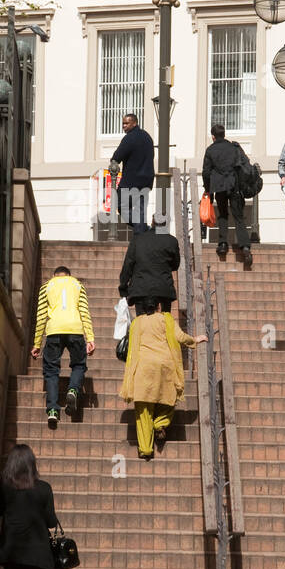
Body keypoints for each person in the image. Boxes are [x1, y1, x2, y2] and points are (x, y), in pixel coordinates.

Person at [119, 298, 207, 460]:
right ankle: (160, 424)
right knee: (169, 399)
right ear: (158, 307)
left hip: (143, 367)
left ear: (142, 309)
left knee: (143, 410)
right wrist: (194, 340)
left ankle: (145, 449)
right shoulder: (166, 319)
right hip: (164, 366)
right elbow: (180, 337)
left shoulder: (137, 323)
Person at [31, 264, 95, 425]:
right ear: (68, 275)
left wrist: (37, 343)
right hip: (76, 329)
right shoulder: (77, 285)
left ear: (55, 275)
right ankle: (73, 389)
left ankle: (53, 410)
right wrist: (90, 338)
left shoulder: (47, 286)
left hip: (53, 331)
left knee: (51, 371)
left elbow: (40, 317)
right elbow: (84, 312)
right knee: (79, 365)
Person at [202, 122, 253, 269]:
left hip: (219, 186)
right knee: (238, 216)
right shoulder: (234, 147)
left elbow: (206, 172)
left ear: (213, 136)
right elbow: (245, 164)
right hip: (235, 185)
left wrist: (208, 190)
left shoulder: (210, 150)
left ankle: (223, 244)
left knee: (223, 214)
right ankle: (245, 247)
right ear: (224, 135)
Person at [118, 211, 180, 314]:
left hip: (140, 288)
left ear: (152, 222)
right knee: (165, 322)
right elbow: (175, 265)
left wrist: (123, 287)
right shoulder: (172, 241)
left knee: (142, 324)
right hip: (163, 287)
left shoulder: (138, 240)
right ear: (166, 224)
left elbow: (128, 265)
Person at [109, 113, 154, 234]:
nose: (124, 126)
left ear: (134, 123)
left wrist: (114, 161)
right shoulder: (147, 137)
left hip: (131, 181)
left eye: (126, 123)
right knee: (141, 210)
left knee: (121, 206)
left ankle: (142, 228)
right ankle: (142, 234)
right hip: (146, 181)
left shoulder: (130, 138)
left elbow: (117, 157)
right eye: (123, 123)